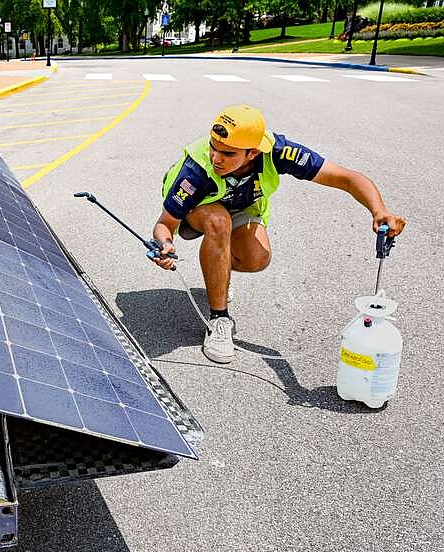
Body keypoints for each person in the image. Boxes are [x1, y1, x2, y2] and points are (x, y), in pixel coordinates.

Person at [151, 104, 406, 364]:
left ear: (253, 153)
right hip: (198, 208)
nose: (216, 158)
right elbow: (165, 223)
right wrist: (165, 245)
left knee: (256, 259)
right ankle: (219, 319)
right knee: (219, 222)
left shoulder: (278, 152)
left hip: (241, 206)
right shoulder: (196, 169)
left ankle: (217, 275)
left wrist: (379, 211)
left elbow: (347, 178)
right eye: (213, 147)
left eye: (227, 153)